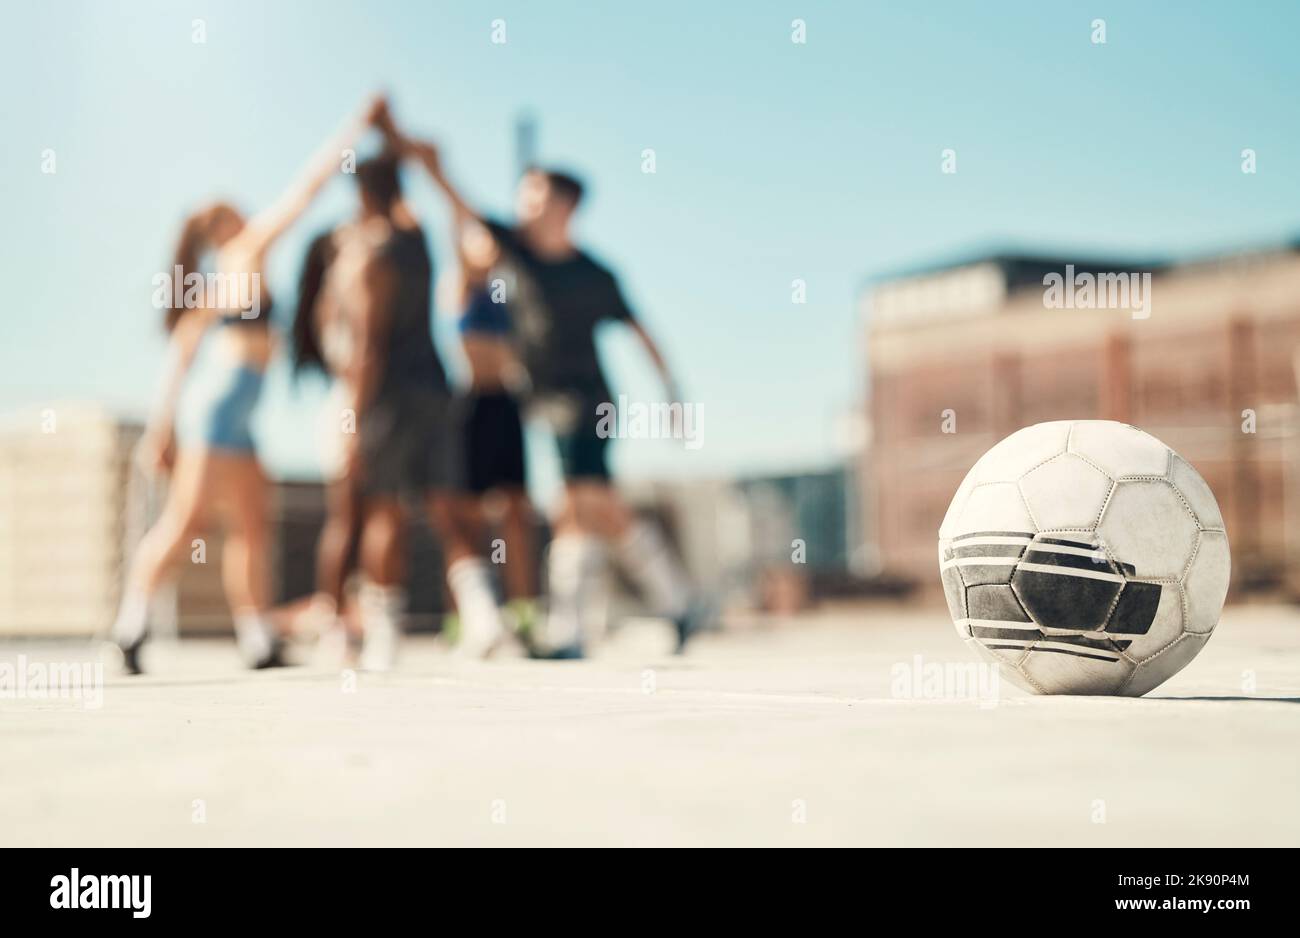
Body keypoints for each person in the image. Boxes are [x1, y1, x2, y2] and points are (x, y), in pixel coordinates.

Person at [391, 129, 704, 656]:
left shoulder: (596, 274)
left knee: (580, 504)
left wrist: (673, 395)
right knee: (591, 506)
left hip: (591, 402)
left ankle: (574, 631)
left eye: (535, 196)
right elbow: (463, 206)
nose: (523, 204)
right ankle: (676, 601)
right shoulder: (517, 251)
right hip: (545, 401)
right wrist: (431, 165)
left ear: (565, 207)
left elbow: (642, 332)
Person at [111, 100, 382, 674]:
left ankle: (257, 640)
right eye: (229, 210)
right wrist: (353, 128)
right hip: (222, 403)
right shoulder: (248, 249)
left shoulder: (226, 279)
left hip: (238, 408)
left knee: (253, 526)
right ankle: (129, 626)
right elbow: (306, 189)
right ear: (220, 228)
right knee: (185, 524)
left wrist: (165, 423)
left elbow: (181, 350)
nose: (244, 211)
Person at [322, 149, 508, 669]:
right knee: (450, 509)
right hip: (436, 388)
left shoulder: (369, 256)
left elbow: (366, 349)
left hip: (390, 397)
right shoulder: (419, 240)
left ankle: (384, 638)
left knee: (385, 512)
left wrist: (351, 422)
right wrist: (392, 134)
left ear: (360, 195)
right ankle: (482, 613)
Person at [446, 220, 539, 630]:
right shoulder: (460, 284)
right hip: (472, 406)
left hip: (507, 405)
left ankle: (523, 613)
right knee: (469, 519)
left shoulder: (510, 294)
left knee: (517, 513)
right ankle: (466, 618)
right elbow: (457, 219)